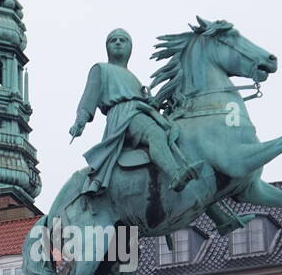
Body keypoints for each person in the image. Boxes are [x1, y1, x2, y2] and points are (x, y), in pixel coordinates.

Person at [69, 29, 197, 197]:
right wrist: (80, 120)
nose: (118, 43)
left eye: (123, 40)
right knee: (155, 134)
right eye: (113, 40)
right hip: (124, 114)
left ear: (130, 48)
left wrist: (152, 102)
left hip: (142, 112)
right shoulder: (101, 69)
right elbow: (89, 97)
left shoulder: (134, 78)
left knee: (175, 135)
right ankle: (175, 175)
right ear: (107, 47)